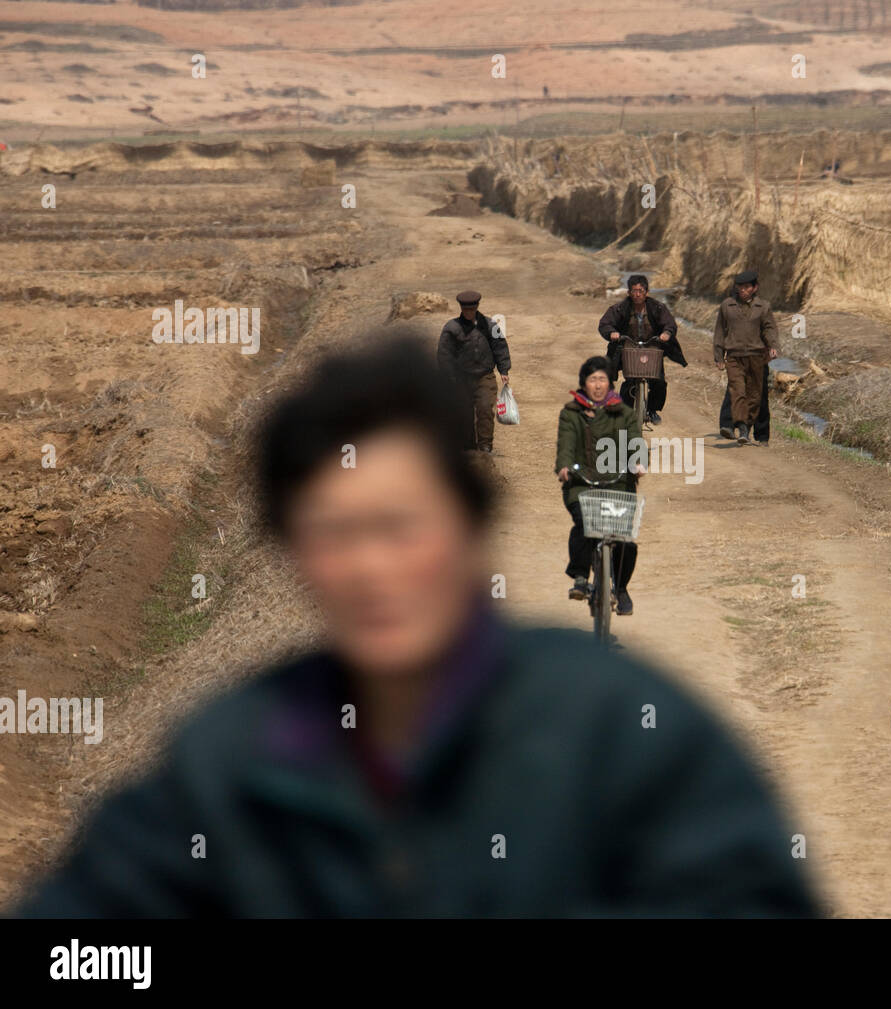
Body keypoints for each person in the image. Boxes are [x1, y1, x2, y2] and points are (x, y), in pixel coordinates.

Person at [17, 332, 819, 917]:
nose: (372, 568)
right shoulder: (229, 765)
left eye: (401, 526)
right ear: (291, 552)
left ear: (470, 526)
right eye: (334, 533)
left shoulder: (630, 736)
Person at [556, 356, 644, 615]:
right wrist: (564, 466)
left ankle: (621, 588)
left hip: (618, 484)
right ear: (583, 383)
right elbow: (566, 444)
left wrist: (638, 462)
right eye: (592, 379)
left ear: (611, 384)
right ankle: (581, 577)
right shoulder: (571, 413)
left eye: (602, 379)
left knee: (625, 543)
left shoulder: (625, 414)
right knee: (584, 522)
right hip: (581, 484)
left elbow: (635, 441)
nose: (597, 385)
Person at [597, 274, 686, 426]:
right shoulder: (619, 308)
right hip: (629, 348)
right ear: (629, 293)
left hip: (652, 348)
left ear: (646, 292)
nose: (637, 294)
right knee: (630, 381)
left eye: (641, 290)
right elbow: (605, 324)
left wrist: (666, 333)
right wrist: (612, 333)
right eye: (634, 291)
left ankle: (652, 410)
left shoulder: (657, 308)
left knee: (658, 381)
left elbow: (670, 324)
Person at [437, 290, 510, 453]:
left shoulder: (490, 325)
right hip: (460, 377)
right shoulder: (452, 328)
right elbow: (444, 354)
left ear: (477, 307)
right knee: (464, 412)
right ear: (461, 309)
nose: (469, 313)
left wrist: (504, 369)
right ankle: (467, 445)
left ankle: (485, 444)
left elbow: (500, 347)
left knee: (485, 409)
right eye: (466, 310)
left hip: (485, 376)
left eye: (472, 309)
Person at [713, 269, 778, 445]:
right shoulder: (727, 306)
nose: (742, 290)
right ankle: (742, 427)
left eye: (747, 287)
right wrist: (719, 356)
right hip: (734, 357)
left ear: (755, 288)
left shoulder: (763, 307)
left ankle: (751, 430)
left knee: (756, 396)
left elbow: (769, 329)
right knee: (737, 391)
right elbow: (719, 331)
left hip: (757, 357)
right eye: (740, 286)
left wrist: (773, 346)